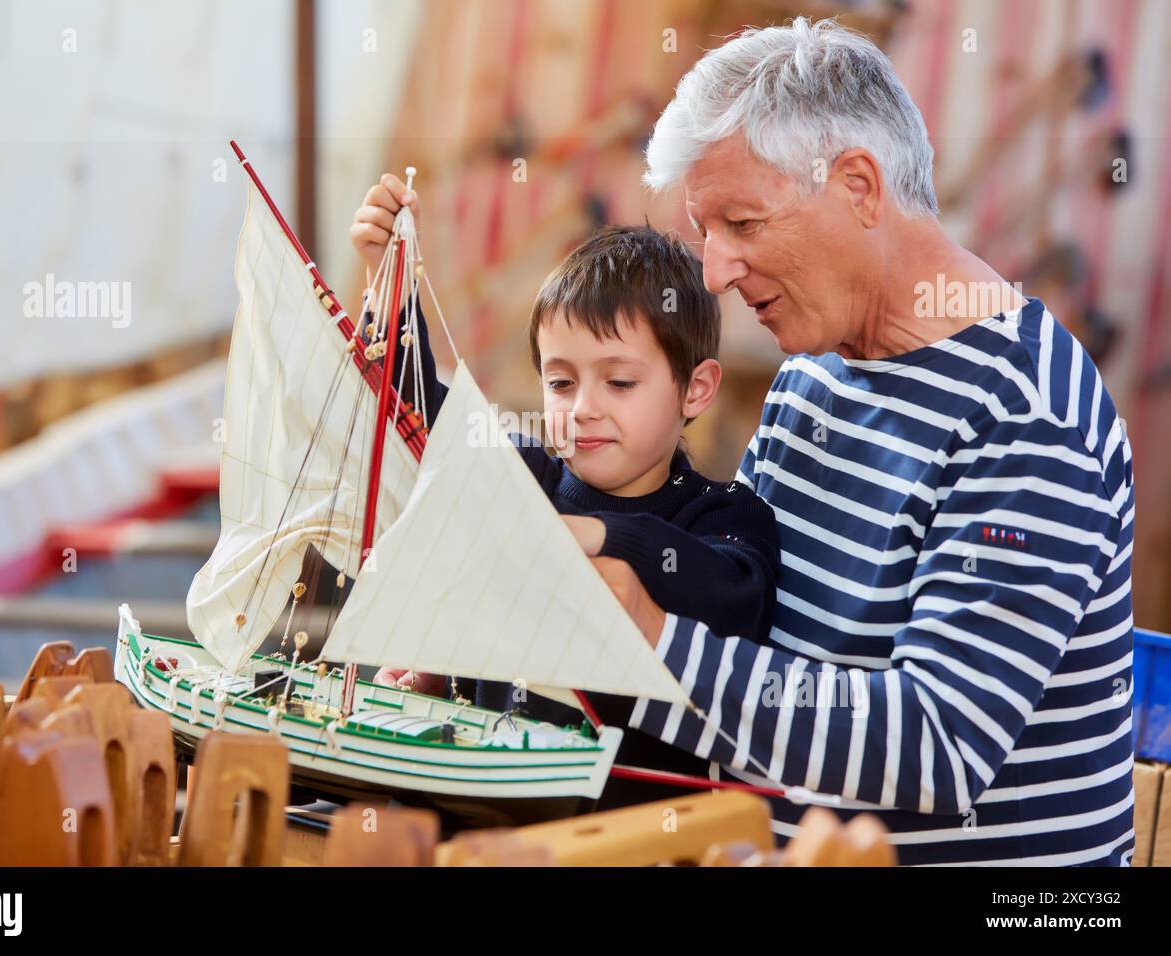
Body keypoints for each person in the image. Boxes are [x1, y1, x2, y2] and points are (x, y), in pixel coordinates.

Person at [594, 17, 1135, 864]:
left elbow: (937, 742)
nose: (715, 272)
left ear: (857, 186)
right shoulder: (815, 372)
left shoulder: (1027, 416)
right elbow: (745, 617)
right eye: (706, 233)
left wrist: (653, 641)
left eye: (742, 224)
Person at [349, 191, 781, 807]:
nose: (583, 408)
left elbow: (731, 594)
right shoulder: (522, 477)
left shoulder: (724, 514)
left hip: (621, 838)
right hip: (477, 817)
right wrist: (389, 286)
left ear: (696, 388)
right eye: (561, 382)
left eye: (620, 381)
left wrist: (601, 536)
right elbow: (421, 413)